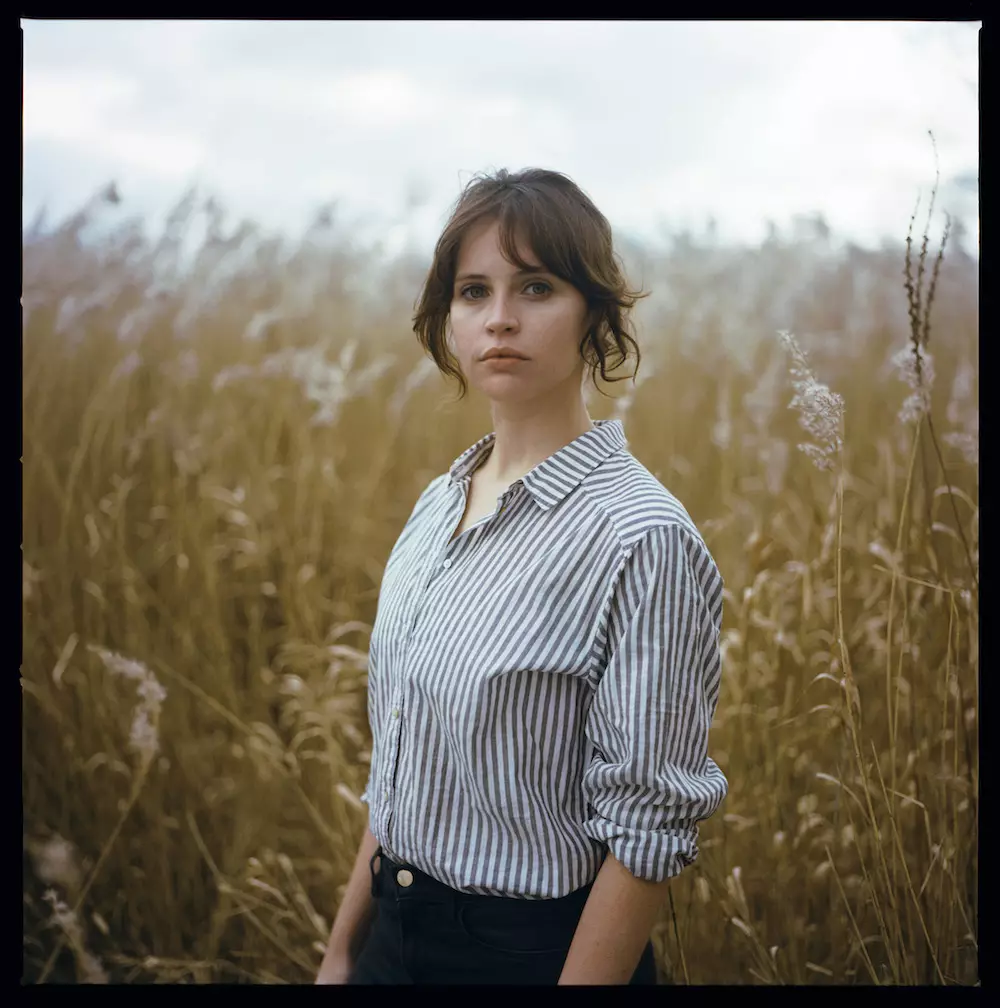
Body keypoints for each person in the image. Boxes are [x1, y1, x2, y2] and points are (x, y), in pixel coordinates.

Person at [315, 167, 728, 985]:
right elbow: (405, 764)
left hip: (533, 958)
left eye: (535, 286)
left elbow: (647, 831)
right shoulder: (438, 503)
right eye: (473, 291)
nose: (499, 318)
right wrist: (340, 952)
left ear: (594, 315)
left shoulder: (639, 538)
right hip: (389, 935)